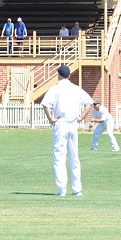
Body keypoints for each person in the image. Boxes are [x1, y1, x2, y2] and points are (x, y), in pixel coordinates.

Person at [41, 65, 94, 196]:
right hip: (73, 123)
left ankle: (62, 189)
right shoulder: (76, 89)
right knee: (74, 157)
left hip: (61, 123)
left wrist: (51, 118)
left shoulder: (55, 89)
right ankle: (77, 189)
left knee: (59, 157)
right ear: (69, 75)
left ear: (58, 75)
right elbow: (89, 103)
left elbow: (45, 104)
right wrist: (81, 117)